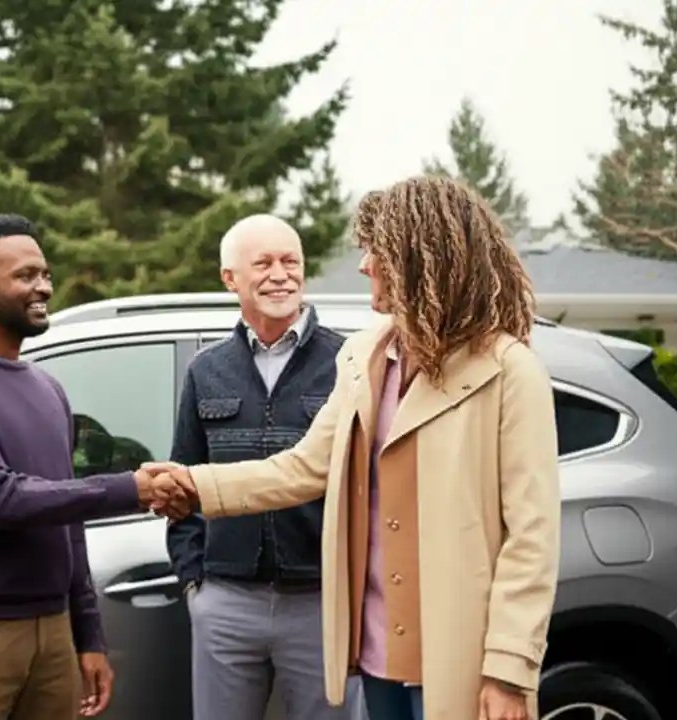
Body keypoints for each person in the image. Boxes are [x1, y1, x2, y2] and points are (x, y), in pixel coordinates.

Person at [146, 176, 561, 720]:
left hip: (459, 658)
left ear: (418, 258)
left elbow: (532, 537)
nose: (365, 265)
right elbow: (302, 467)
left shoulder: (510, 371)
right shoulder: (366, 358)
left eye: (376, 251)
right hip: (377, 654)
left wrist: (509, 667)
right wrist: (193, 485)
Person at [0, 213, 189, 720]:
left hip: (52, 633)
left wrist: (87, 635)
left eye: (45, 274)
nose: (43, 287)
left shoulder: (46, 388)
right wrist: (131, 488)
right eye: (25, 276)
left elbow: (64, 521)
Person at [166, 214, 363, 720]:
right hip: (226, 601)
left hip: (321, 603)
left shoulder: (350, 361)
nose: (281, 275)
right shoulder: (205, 370)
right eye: (264, 263)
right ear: (230, 278)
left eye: (290, 261)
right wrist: (196, 585)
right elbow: (184, 480)